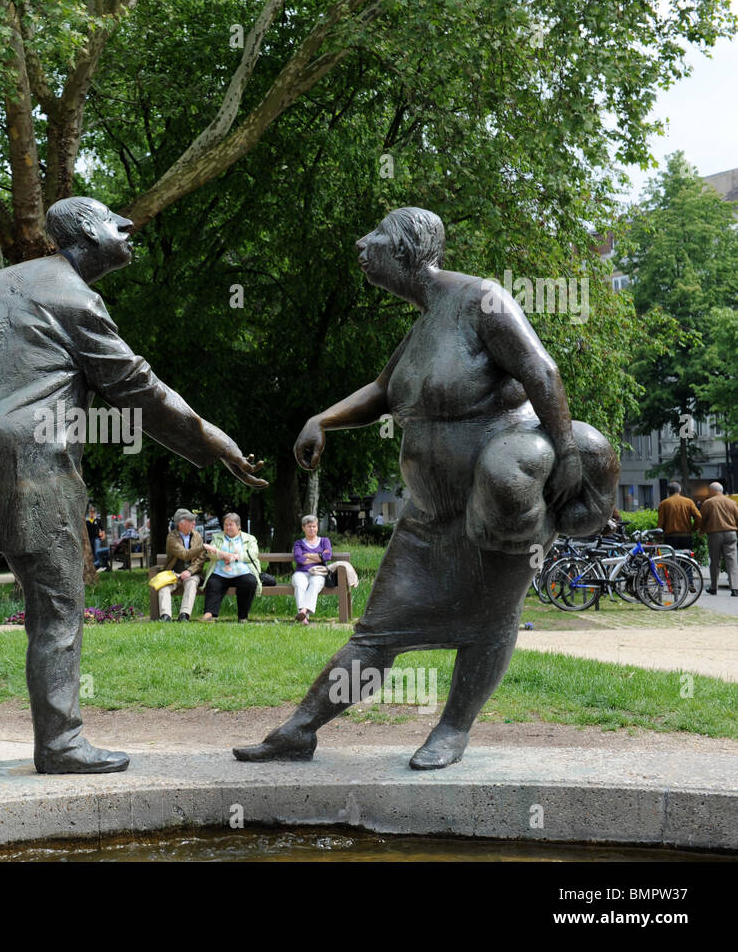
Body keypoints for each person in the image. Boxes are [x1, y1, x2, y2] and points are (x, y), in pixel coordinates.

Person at [0, 195, 265, 779]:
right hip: (37, 470)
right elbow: (140, 391)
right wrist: (211, 440)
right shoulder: (76, 298)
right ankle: (60, 742)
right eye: (113, 219)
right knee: (57, 611)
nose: (128, 224)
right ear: (86, 234)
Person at [234, 207, 617, 770]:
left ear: (409, 250)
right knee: (377, 632)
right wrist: (323, 419)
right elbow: (383, 391)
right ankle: (299, 730)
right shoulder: (423, 324)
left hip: (499, 500)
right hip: (429, 515)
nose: (364, 244)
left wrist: (563, 452)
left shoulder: (481, 299)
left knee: (489, 622)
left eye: (378, 236)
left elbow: (542, 371)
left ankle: (453, 729)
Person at [200, 513, 261, 623]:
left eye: (230, 524)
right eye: (225, 525)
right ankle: (210, 615)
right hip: (221, 572)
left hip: (242, 573)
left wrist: (235, 557)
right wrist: (223, 555)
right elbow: (211, 554)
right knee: (213, 583)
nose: (227, 527)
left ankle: (242, 617)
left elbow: (253, 554)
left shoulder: (249, 538)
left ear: (238, 526)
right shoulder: (217, 537)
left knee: (249, 582)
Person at [158, 508, 209, 622]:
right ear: (181, 524)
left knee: (191, 583)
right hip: (173, 573)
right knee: (164, 587)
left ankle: (184, 615)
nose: (194, 523)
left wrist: (190, 571)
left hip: (192, 573)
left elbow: (201, 559)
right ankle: (165, 616)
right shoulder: (171, 537)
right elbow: (185, 554)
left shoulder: (197, 536)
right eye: (191, 521)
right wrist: (203, 547)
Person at [291, 515, 333, 624]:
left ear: (317, 527)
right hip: (301, 572)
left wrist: (308, 555)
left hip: (318, 572)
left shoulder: (324, 541)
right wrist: (319, 557)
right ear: (303, 528)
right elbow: (299, 559)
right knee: (300, 585)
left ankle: (303, 611)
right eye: (309, 526)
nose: (312, 529)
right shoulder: (298, 543)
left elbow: (327, 556)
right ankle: (304, 617)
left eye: (314, 526)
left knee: (315, 583)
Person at [700, 481, 738, 596]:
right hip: (731, 533)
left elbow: (703, 519)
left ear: (712, 491)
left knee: (715, 561)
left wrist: (701, 531)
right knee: (732, 561)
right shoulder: (731, 502)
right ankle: (735, 588)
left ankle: (714, 587)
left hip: (714, 534)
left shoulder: (708, 503)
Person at [657, 481, 702, 553]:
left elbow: (660, 522)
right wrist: (693, 529)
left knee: (671, 560)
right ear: (679, 490)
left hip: (670, 537)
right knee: (686, 559)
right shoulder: (688, 502)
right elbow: (698, 517)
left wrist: (658, 537)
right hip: (686, 536)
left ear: (668, 491)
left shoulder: (664, 503)